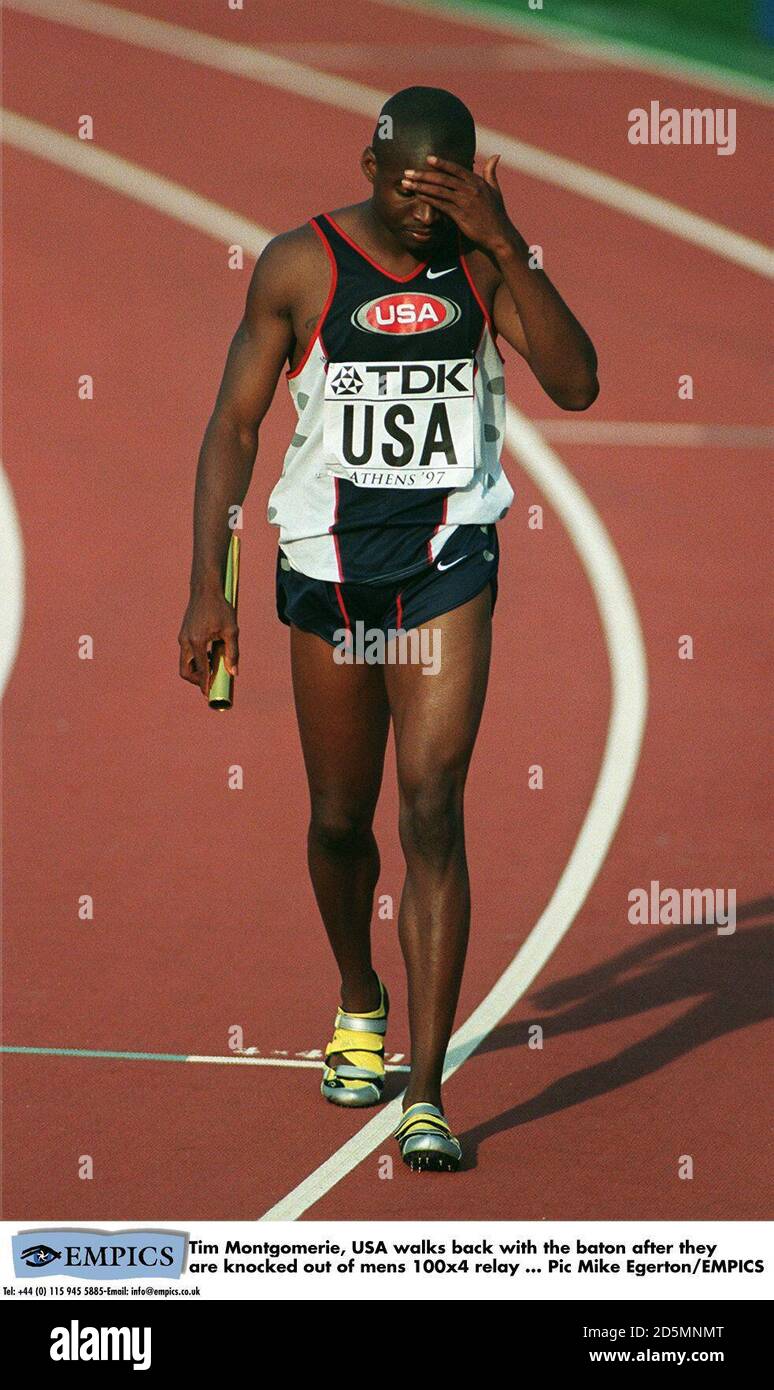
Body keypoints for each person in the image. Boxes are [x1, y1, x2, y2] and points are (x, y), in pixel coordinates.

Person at [178, 86, 598, 1172]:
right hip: (325, 575)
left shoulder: (482, 260)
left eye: (447, 188)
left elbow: (579, 381)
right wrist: (208, 586)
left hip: (448, 568)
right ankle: (358, 995)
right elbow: (231, 425)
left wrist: (505, 236)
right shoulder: (300, 266)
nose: (427, 211)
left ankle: (423, 1088)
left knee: (432, 807)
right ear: (372, 170)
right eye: (413, 189)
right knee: (335, 821)